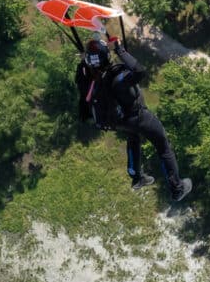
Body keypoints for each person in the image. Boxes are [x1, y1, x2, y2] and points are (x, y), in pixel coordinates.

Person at [75, 36, 191, 202]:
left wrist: (85, 61)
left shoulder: (88, 78)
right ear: (107, 56)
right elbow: (139, 71)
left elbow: (84, 72)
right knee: (163, 146)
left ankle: (137, 177)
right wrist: (120, 50)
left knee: (133, 137)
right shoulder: (117, 77)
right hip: (138, 117)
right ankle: (177, 188)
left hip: (119, 123)